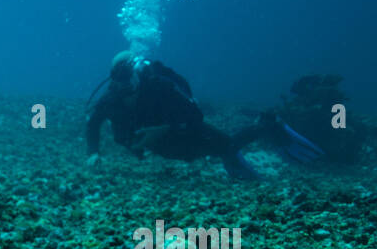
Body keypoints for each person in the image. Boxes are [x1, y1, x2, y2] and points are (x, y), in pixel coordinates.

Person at [85, 50, 321, 180]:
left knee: (227, 147)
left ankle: (268, 125)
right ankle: (234, 159)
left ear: (138, 79)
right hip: (165, 147)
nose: (125, 92)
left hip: (185, 132)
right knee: (216, 151)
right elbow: (93, 123)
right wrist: (93, 153)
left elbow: (194, 116)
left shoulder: (160, 88)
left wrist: (162, 129)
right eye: (119, 86)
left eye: (129, 85)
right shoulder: (111, 98)